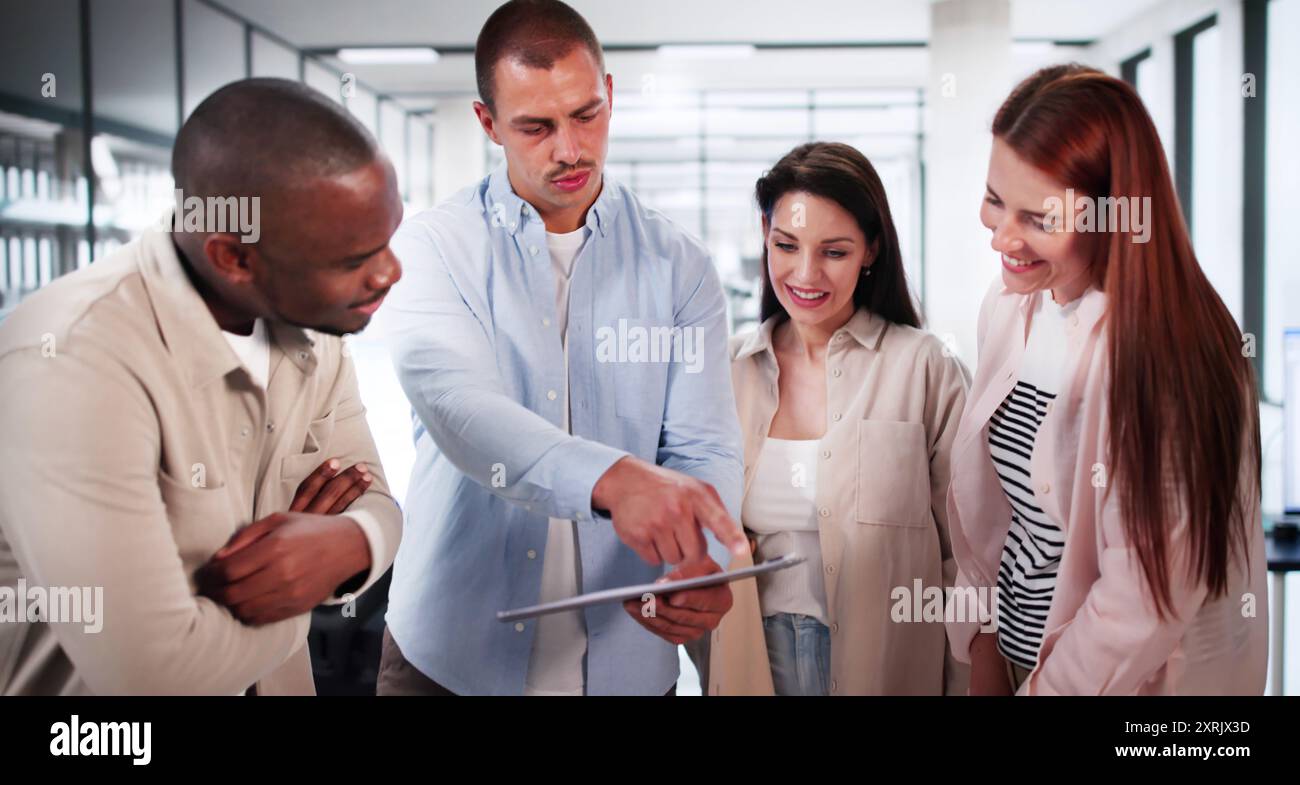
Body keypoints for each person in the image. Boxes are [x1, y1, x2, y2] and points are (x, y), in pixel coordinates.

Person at [377, 0, 747, 696]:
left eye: (586, 114)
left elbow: (703, 449)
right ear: (487, 123)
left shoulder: (681, 265)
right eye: (536, 126)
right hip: (448, 660)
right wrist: (616, 482)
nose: (571, 148)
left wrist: (708, 557)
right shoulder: (433, 248)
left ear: (609, 94)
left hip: (624, 659)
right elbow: (462, 411)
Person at [0, 78, 404, 695]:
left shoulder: (315, 326)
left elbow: (376, 499)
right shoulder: (71, 364)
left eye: (388, 238)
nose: (390, 272)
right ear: (235, 257)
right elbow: (153, 677)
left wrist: (356, 538)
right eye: (353, 260)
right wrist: (310, 586)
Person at [948, 64, 1268, 695]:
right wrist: (983, 650)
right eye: (994, 199)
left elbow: (1141, 599)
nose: (1003, 238)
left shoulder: (1166, 353)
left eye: (1039, 219)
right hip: (1019, 660)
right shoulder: (1011, 306)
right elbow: (996, 519)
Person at [705, 143, 970, 695]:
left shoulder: (925, 368)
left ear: (871, 250)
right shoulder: (726, 375)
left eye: (834, 252)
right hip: (759, 660)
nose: (805, 273)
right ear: (764, 235)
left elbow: (969, 554)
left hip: (888, 665)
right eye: (786, 245)